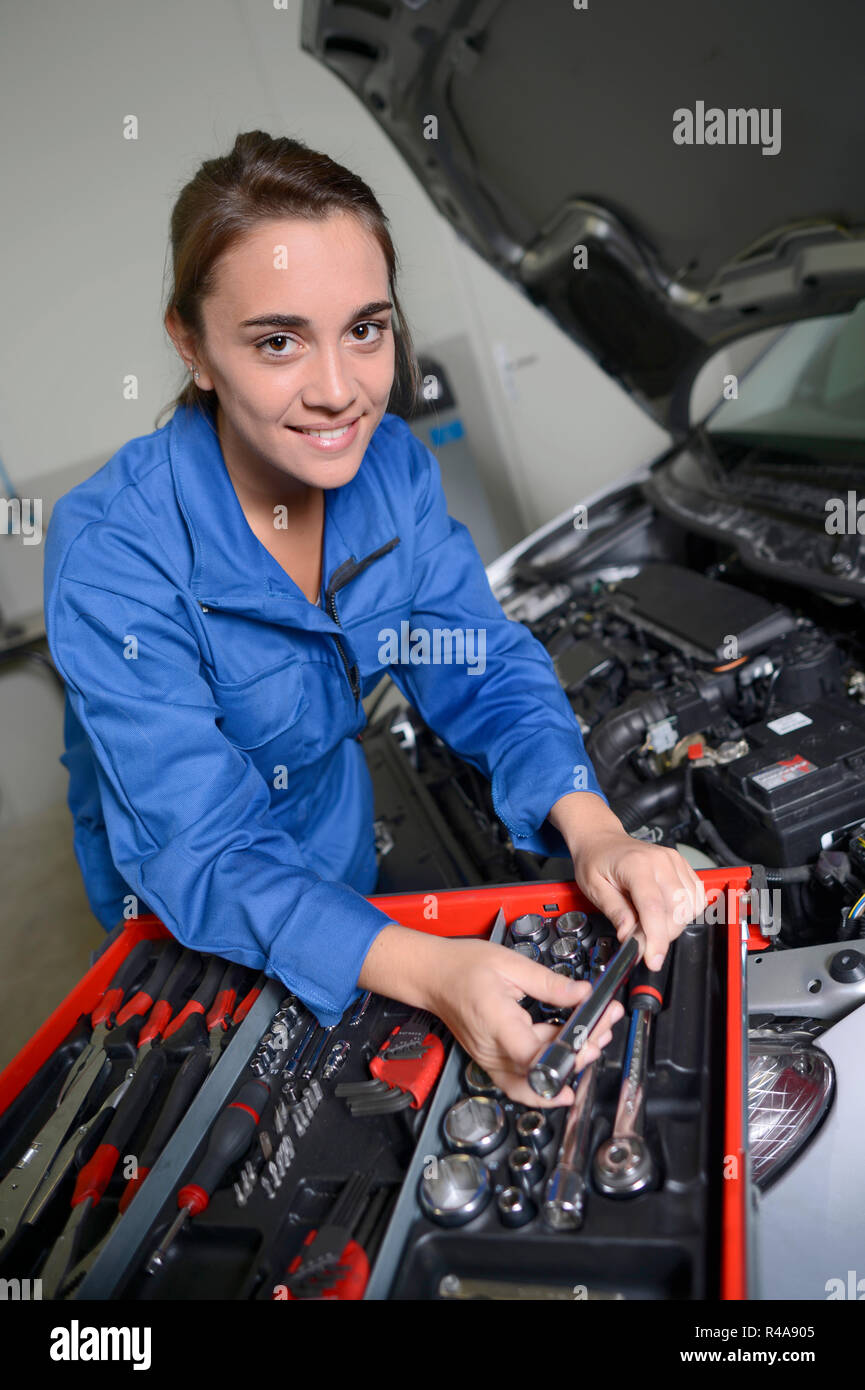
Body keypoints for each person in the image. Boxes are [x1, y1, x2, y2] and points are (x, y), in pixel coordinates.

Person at [43, 131, 705, 1107]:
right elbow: (202, 846)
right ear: (192, 347)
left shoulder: (388, 467)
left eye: (366, 328)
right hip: (193, 908)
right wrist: (435, 971)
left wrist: (594, 827)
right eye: (277, 340)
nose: (340, 389)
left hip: (340, 836)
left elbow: (479, 664)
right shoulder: (114, 551)